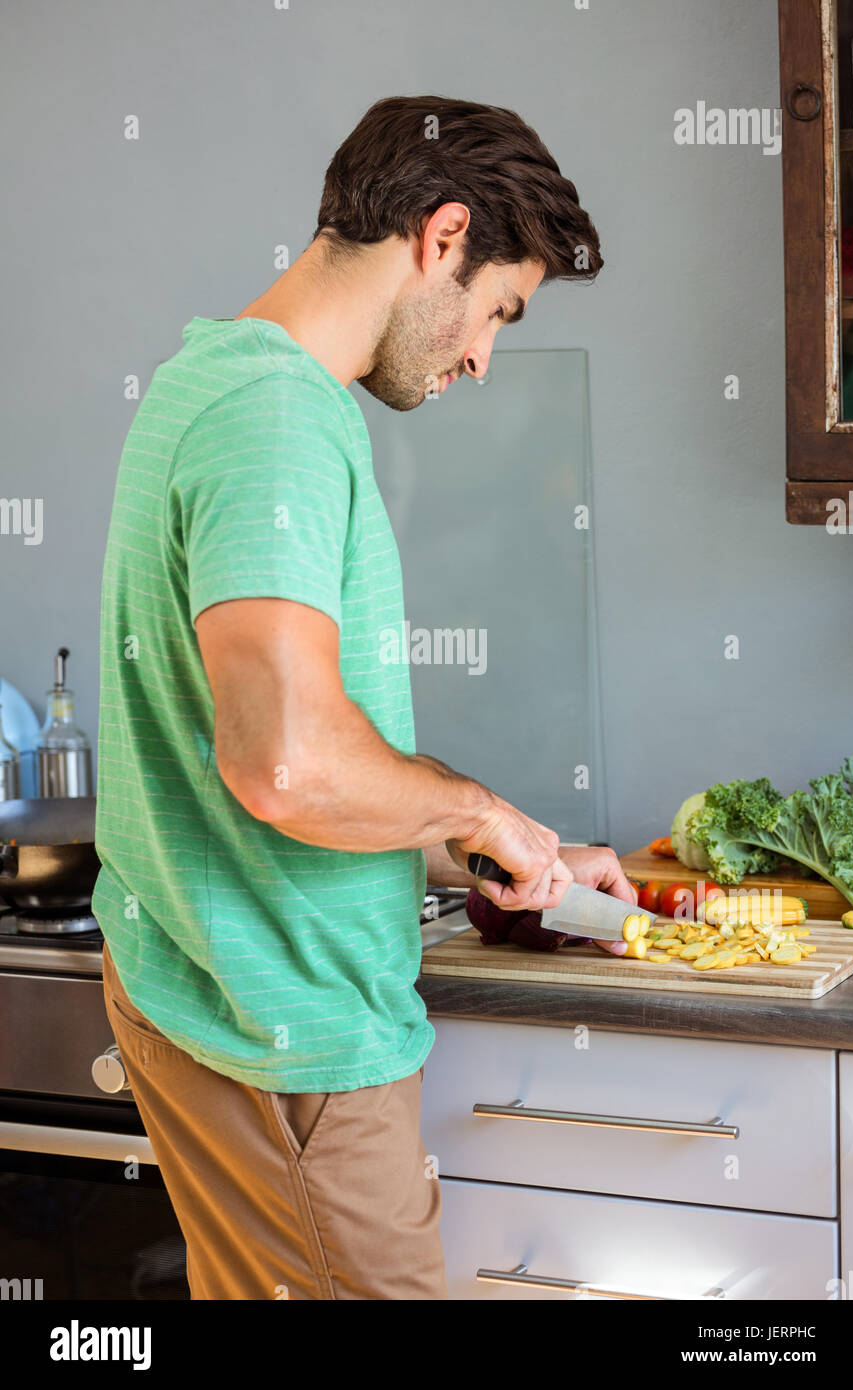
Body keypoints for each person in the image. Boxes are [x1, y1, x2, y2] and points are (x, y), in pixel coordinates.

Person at [94, 93, 637, 1301]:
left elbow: (250, 769)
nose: (484, 355)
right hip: (290, 1041)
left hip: (245, 1014)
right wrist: (479, 810)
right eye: (498, 308)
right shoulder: (273, 414)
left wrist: (504, 843)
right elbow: (284, 763)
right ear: (441, 236)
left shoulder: (214, 382)